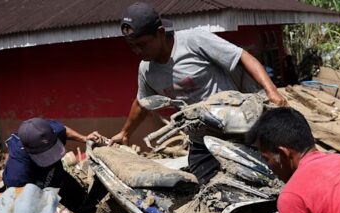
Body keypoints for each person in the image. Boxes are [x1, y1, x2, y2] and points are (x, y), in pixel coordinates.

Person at [112, 2, 288, 183]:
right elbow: (142, 103)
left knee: (266, 177)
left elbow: (242, 56)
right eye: (132, 46)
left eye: (142, 45)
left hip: (237, 126)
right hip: (201, 138)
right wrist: (125, 133)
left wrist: (271, 91)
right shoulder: (146, 70)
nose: (137, 51)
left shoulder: (193, 41)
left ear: (160, 33)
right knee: (209, 188)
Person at [2, 118, 99, 213]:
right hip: (33, 190)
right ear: (29, 151)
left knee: (85, 206)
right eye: (45, 155)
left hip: (57, 176)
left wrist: (84, 138)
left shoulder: (50, 132)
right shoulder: (17, 175)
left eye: (51, 150)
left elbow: (63, 130)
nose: (51, 157)